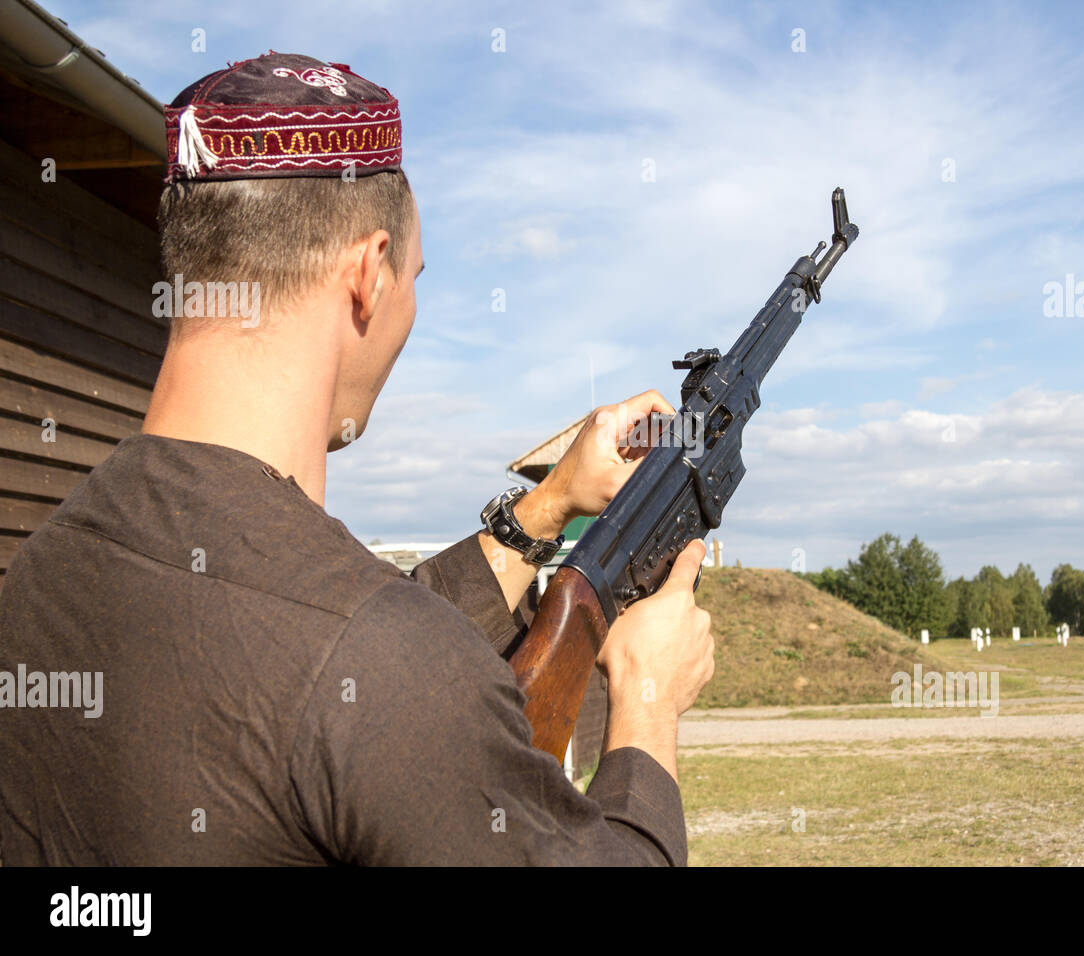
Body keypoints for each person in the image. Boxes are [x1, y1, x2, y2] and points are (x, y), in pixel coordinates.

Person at [0, 52, 713, 865]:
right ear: (369, 275)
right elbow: (356, 667)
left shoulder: (45, 571)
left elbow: (315, 650)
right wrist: (649, 699)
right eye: (413, 275)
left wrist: (545, 508)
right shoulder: (377, 664)